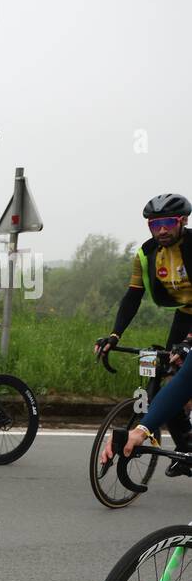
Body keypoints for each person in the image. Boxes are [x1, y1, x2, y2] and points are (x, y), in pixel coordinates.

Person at [97, 193, 192, 475]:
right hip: (186, 314)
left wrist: (188, 343)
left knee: (185, 368)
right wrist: (114, 335)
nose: (161, 230)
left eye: (167, 223)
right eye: (154, 224)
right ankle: (185, 448)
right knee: (168, 378)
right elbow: (132, 296)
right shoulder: (147, 253)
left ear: (182, 221)